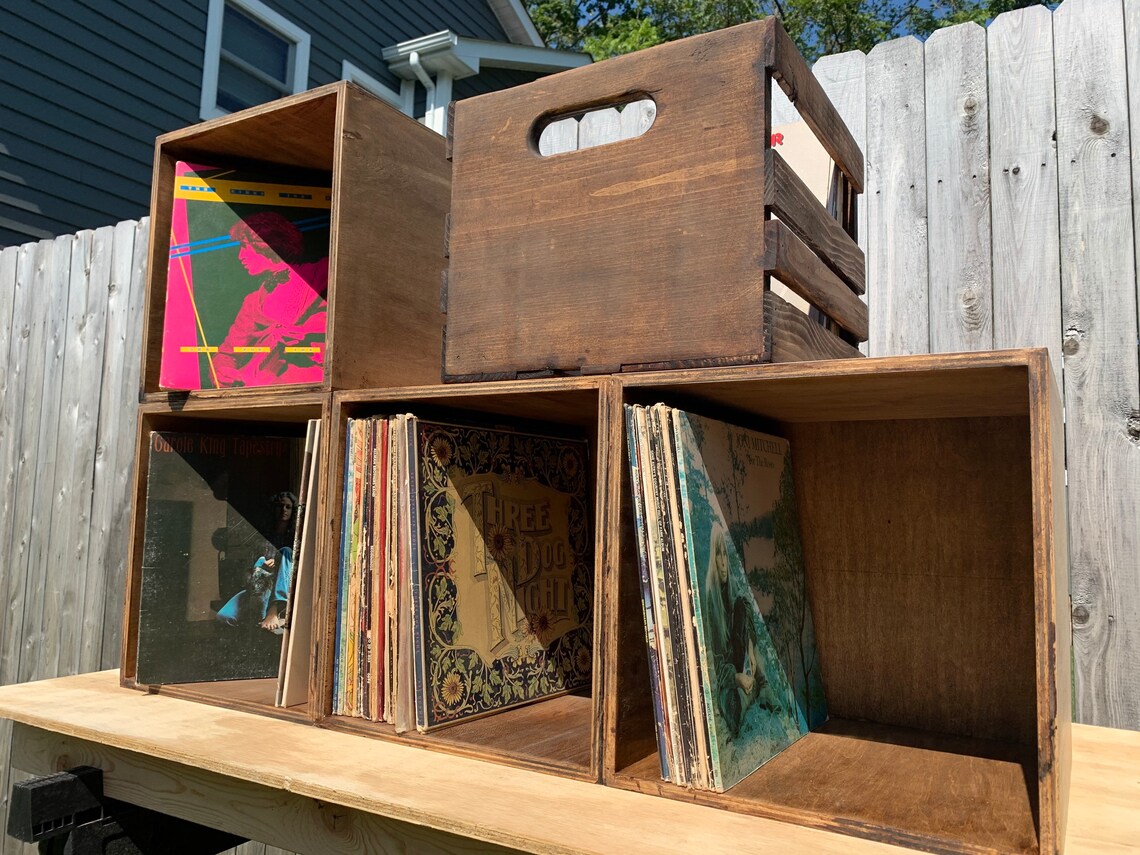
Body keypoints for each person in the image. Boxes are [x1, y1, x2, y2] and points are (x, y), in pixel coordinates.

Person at [213, 211, 328, 387]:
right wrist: (222, 371)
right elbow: (227, 353)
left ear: (266, 243)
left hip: (310, 386)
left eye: (244, 247)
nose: (240, 256)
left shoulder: (320, 273)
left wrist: (309, 336)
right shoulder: (251, 302)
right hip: (262, 389)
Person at [703, 524, 763, 737]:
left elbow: (746, 611)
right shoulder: (711, 596)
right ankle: (752, 689)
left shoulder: (732, 586)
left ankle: (757, 686)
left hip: (741, 661)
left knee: (741, 603)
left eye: (725, 555)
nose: (723, 563)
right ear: (713, 558)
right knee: (733, 707)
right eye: (718, 555)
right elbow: (719, 668)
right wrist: (738, 678)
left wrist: (749, 646)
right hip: (729, 677)